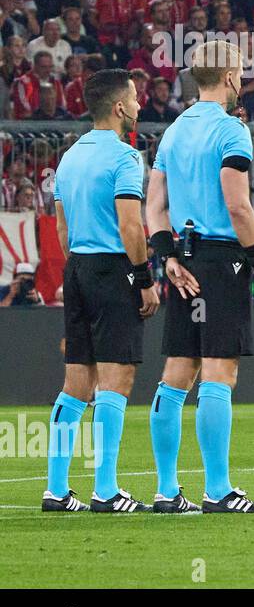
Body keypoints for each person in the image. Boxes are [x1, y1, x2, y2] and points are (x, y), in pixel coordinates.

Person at [145, 40, 254, 513]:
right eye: (240, 72)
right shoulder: (232, 131)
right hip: (223, 260)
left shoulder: (174, 131)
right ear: (228, 79)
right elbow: (239, 205)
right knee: (220, 372)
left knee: (177, 373)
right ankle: (218, 490)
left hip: (183, 259)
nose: (241, 80)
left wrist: (167, 259)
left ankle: (166, 490)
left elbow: (154, 207)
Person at [45, 68, 160, 512]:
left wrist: (79, 268)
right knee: (117, 379)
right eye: (133, 98)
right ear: (117, 108)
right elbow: (131, 225)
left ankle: (56, 490)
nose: (138, 105)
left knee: (76, 383)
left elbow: (61, 227)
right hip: (114, 270)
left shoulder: (68, 157)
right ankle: (107, 489)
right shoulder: (124, 158)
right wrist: (144, 279)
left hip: (77, 268)